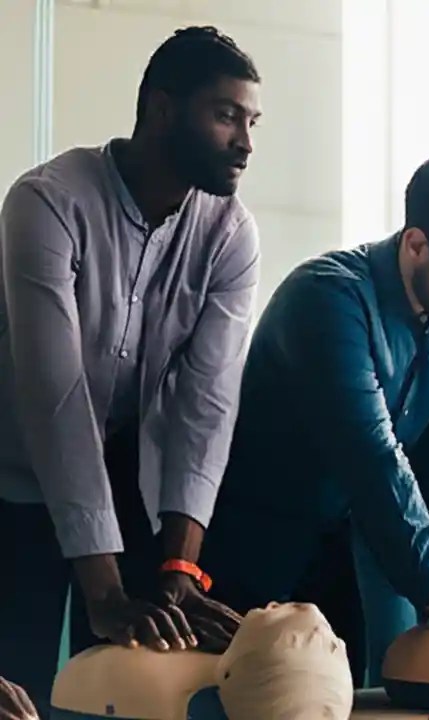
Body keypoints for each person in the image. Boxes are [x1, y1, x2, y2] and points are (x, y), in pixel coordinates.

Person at [198, 148, 429, 689]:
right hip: (252, 546)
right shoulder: (326, 297)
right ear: (416, 244)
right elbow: (373, 458)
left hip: (343, 551)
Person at [0, 26, 261, 715]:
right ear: (161, 109)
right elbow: (56, 398)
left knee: (132, 682)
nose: (245, 141)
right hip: (12, 469)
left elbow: (206, 404)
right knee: (20, 685)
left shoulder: (231, 234)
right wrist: (103, 591)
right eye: (226, 114)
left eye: (251, 120)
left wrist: (178, 562)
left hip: (123, 476)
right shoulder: (47, 202)